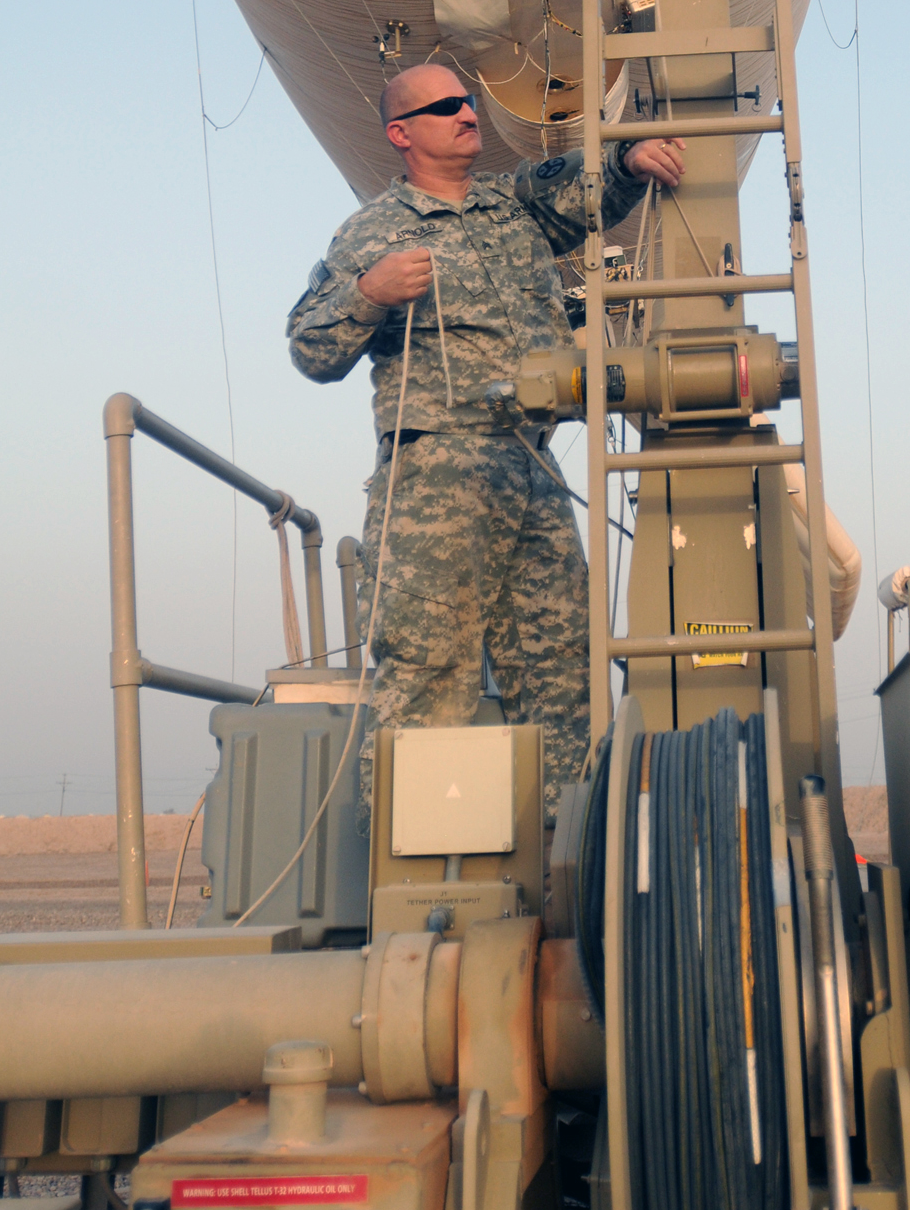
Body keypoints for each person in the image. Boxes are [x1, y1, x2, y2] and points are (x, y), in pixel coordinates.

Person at [287, 63, 684, 826]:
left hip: (529, 469)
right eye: (445, 107)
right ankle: (410, 885)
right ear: (403, 135)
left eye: (467, 100)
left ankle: (568, 869)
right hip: (438, 470)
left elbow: (580, 187)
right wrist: (368, 294)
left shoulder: (511, 208)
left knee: (565, 671)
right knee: (428, 669)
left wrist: (632, 162)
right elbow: (310, 347)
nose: (468, 113)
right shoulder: (374, 231)